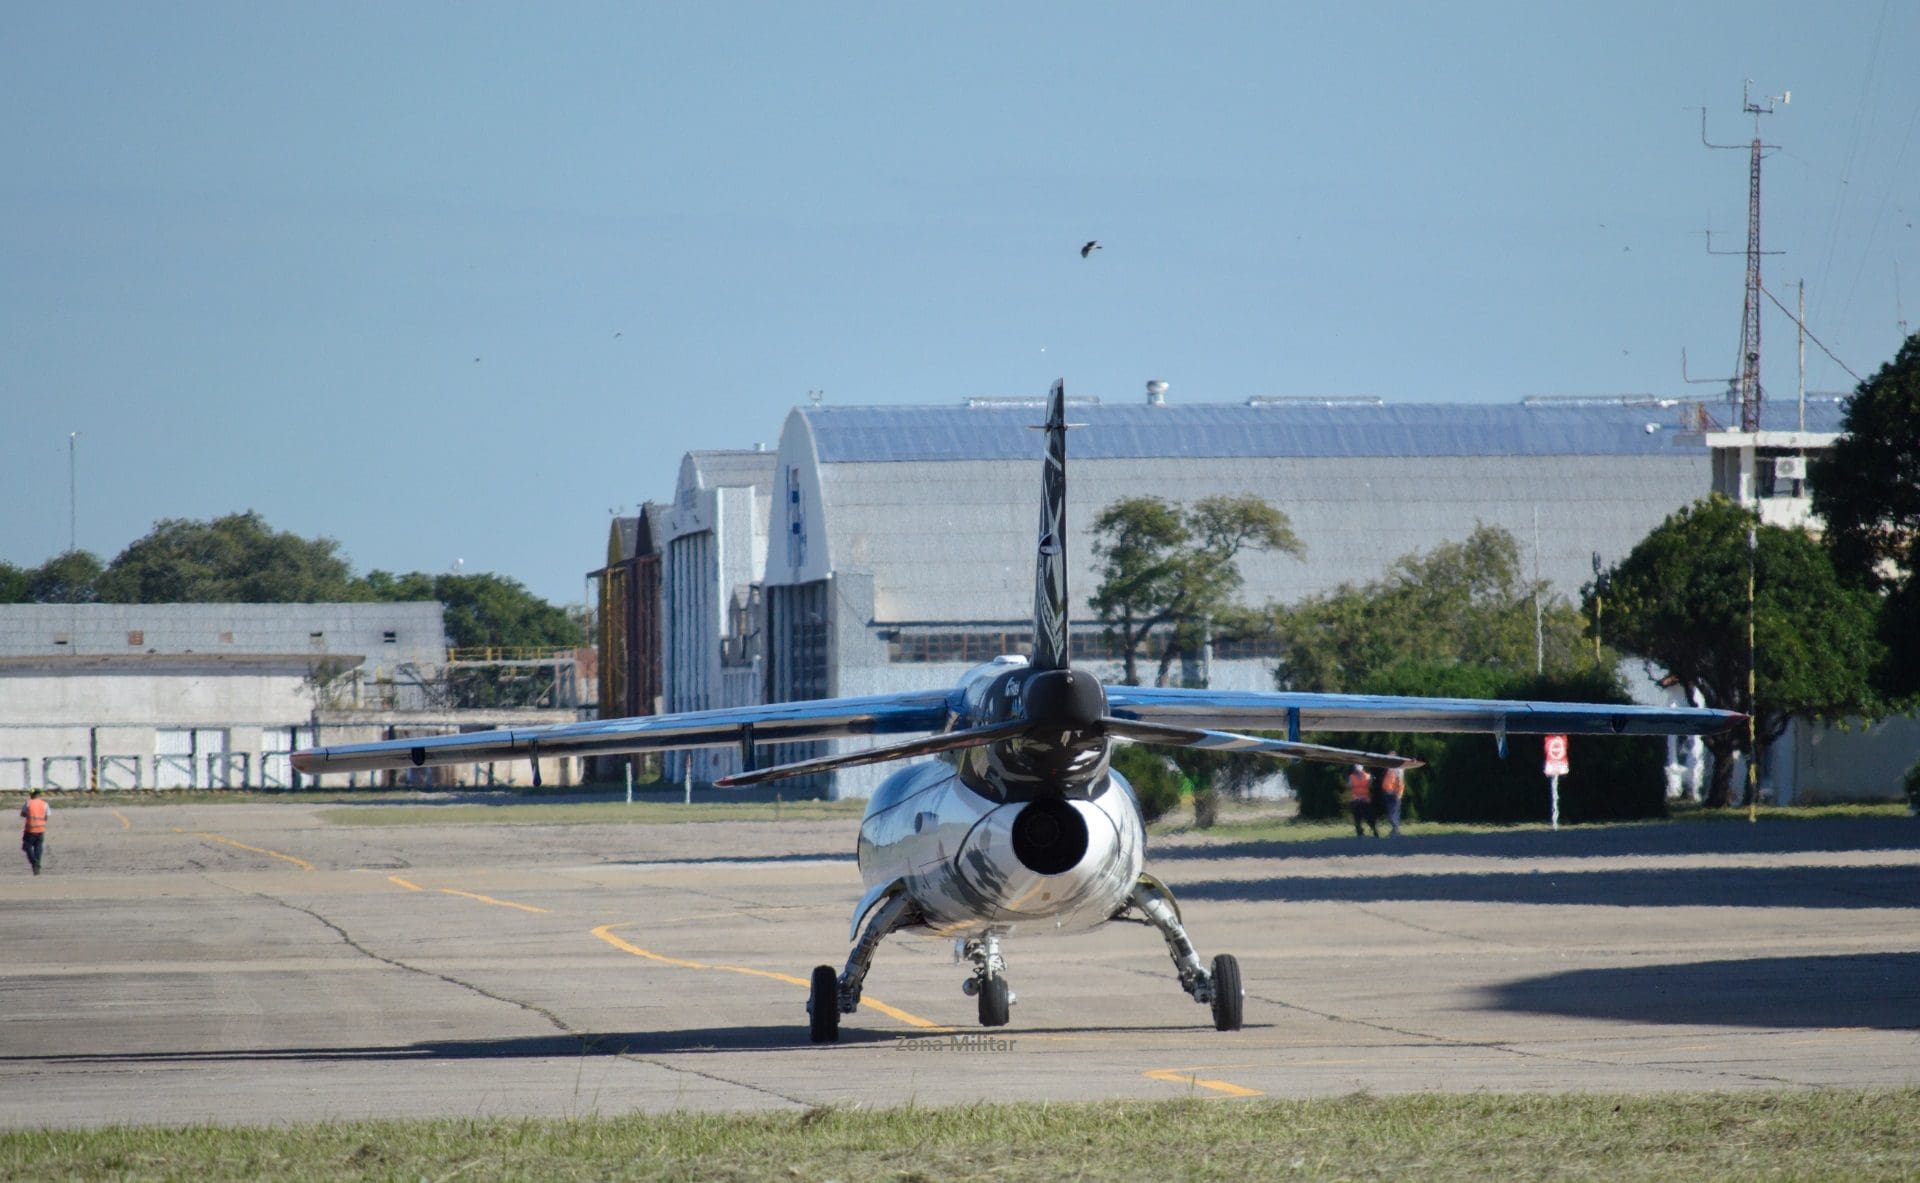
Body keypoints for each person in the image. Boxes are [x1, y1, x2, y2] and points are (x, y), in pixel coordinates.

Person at [20, 789, 48, 876]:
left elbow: (23, 814)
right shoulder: (44, 803)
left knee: (27, 847)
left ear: (31, 795)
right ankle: (37, 866)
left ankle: (34, 862)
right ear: (39, 794)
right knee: (38, 848)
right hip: (41, 829)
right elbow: (46, 816)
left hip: (30, 829)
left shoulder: (28, 803)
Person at [1346, 764, 1377, 838]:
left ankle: (1364, 832)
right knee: (1364, 818)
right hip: (1362, 800)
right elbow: (1370, 786)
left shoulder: (1353, 776)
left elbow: (1349, 786)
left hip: (1359, 800)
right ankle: (1370, 831)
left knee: (1361, 818)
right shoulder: (1366, 776)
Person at [1379, 757, 1407, 838]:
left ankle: (1395, 830)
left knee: (1393, 813)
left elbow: (1400, 783)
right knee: (1391, 813)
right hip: (1388, 793)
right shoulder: (1389, 769)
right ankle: (1395, 830)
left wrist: (1399, 794)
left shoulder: (1398, 770)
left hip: (1394, 794)